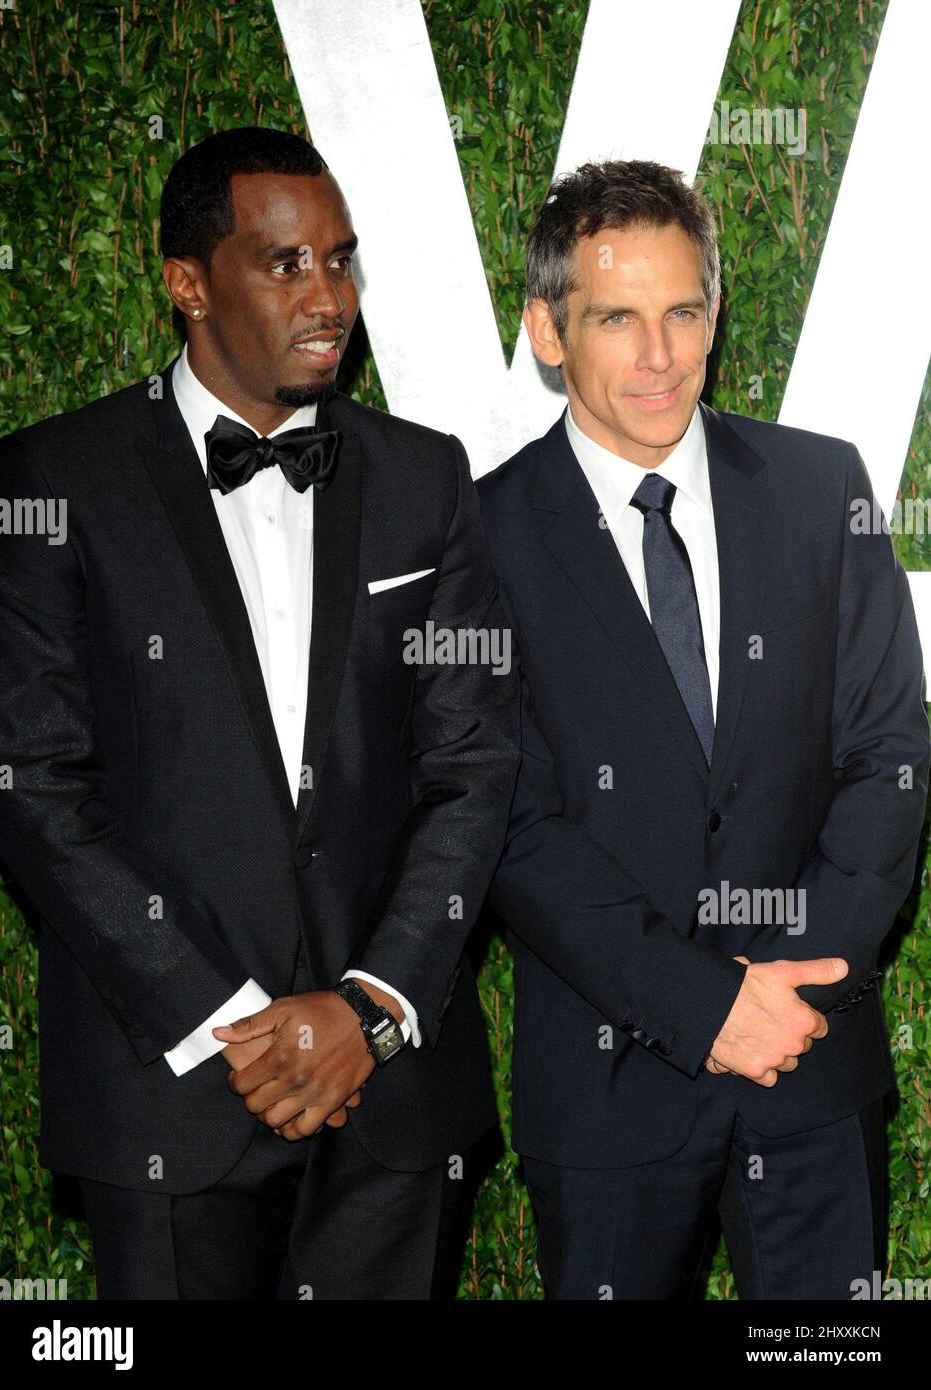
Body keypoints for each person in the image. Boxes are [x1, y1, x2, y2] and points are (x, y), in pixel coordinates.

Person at [0, 126, 519, 1300]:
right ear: (186, 283)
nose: (328, 296)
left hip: (391, 1100)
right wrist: (234, 1021)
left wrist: (368, 1009)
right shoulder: (51, 479)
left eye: (340, 261)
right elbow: (30, 779)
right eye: (285, 264)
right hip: (166, 1088)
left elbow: (473, 765)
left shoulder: (426, 479)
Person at [476, 159, 929, 1300]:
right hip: (608, 1083)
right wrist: (704, 1003)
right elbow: (505, 822)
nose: (659, 355)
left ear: (714, 313)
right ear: (546, 328)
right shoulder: (480, 537)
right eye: (616, 318)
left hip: (812, 1064)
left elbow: (890, 754)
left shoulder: (819, 487)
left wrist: (786, 987)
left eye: (683, 312)